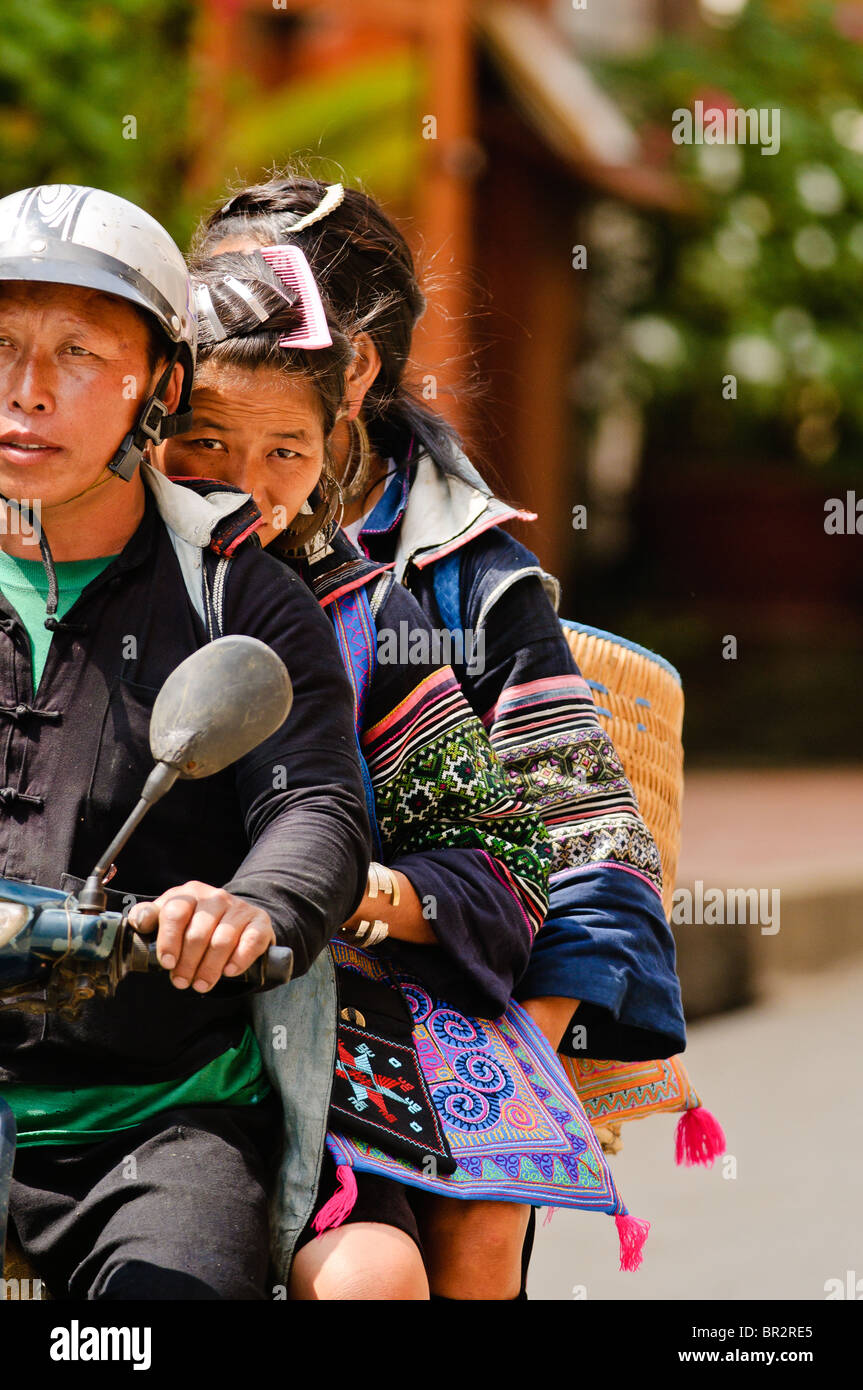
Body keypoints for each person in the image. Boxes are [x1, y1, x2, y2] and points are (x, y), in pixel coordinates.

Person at [194, 175, 688, 1300]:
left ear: (348, 370)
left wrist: (504, 1075)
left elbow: (579, 854)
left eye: (283, 447)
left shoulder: (448, 587)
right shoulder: (127, 540)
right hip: (197, 987)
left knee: (459, 1235)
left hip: (423, 984)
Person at [158, 248, 552, 1300]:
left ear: (333, 442)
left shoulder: (367, 621)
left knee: (374, 1271)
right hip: (90, 1021)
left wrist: (333, 893)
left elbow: (505, 868)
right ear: (139, 424)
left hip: (302, 1030)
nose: (247, 486)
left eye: (284, 449)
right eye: (202, 442)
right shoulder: (82, 587)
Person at [0, 184, 371, 1300]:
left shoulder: (241, 599)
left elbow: (314, 806)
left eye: (77, 351)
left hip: (158, 1123)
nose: (25, 391)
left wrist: (248, 906)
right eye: (3, 343)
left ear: (159, 386)